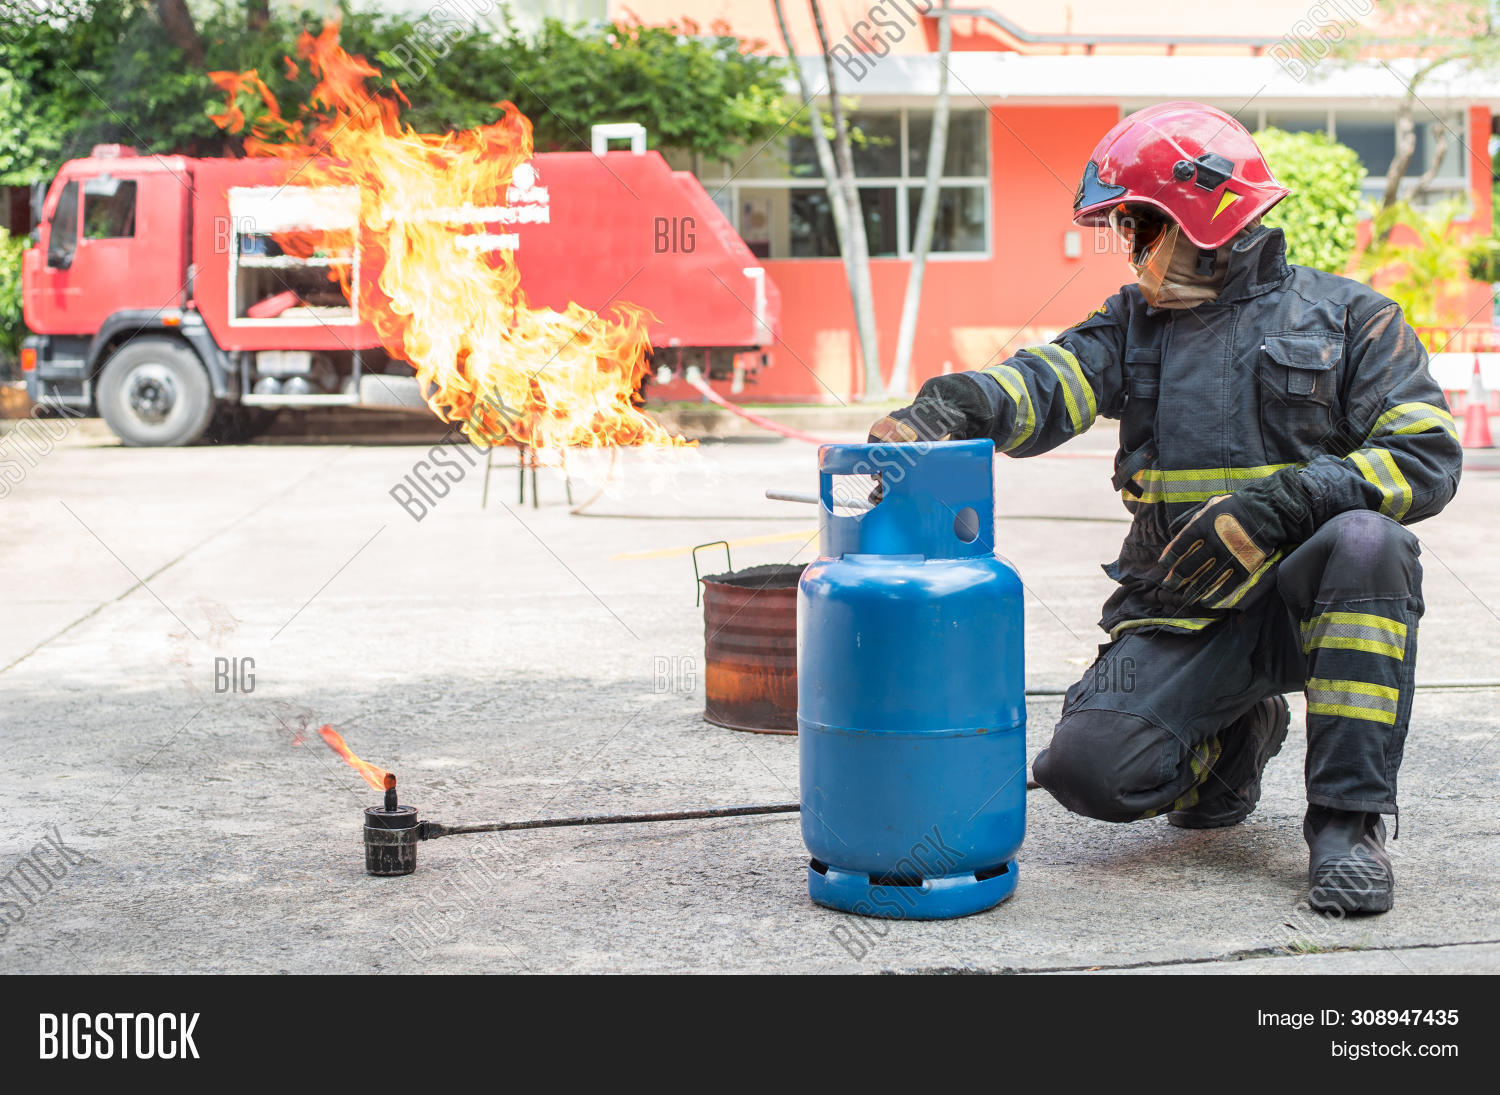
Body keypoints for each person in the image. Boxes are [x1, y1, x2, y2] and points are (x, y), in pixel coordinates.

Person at [869, 101, 1463, 914]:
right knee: (1087, 772)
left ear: (1200, 214)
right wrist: (950, 410)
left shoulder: (1356, 319)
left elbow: (1424, 457)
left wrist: (1283, 504)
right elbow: (1046, 380)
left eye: (1140, 225)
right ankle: (1234, 739)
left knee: (1369, 541)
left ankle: (1347, 825)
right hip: (1186, 610)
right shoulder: (1135, 325)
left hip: (1311, 602)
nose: (1131, 248)